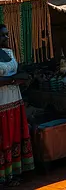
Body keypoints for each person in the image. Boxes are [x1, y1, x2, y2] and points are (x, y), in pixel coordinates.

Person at [0, 25, 34, 184]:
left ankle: (14, 172)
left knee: (14, 134)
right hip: (2, 103)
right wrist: (13, 80)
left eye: (7, 35)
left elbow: (20, 71)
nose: (6, 38)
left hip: (14, 100)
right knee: (3, 137)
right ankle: (3, 177)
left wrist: (20, 77)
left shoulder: (9, 53)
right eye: (2, 35)